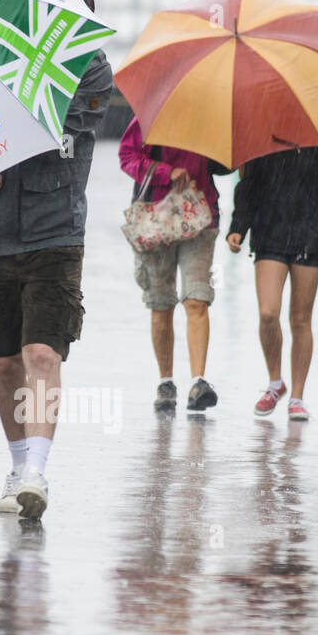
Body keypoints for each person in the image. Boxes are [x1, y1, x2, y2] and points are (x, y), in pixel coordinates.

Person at [0, 0, 113, 521]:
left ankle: (36, 472)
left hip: (55, 228)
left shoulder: (92, 69)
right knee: (3, 362)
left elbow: (53, 122)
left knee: (42, 354)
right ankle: (16, 462)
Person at [226, 135, 318, 421]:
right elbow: (248, 188)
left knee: (300, 318)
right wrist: (238, 226)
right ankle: (275, 383)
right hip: (269, 233)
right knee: (268, 313)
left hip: (311, 235)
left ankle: (297, 396)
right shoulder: (260, 139)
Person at [118, 117, 231, 414]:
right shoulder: (150, 113)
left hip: (201, 216)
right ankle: (166, 382)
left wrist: (229, 152)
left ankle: (199, 382)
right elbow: (127, 157)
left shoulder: (212, 114)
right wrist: (167, 172)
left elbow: (222, 165)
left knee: (197, 299)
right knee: (161, 304)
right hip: (157, 219)